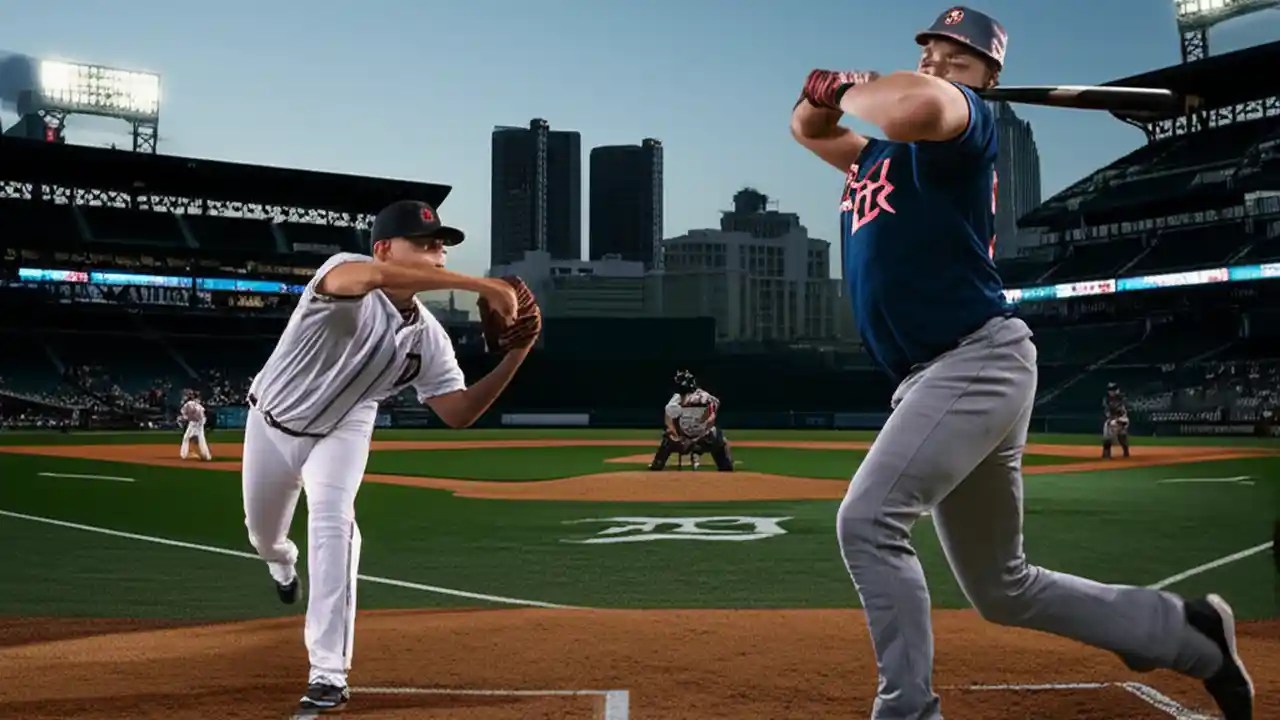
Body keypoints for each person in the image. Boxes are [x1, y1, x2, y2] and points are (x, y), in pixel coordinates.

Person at [789, 6, 1252, 719]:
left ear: (989, 77)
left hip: (974, 359)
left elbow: (913, 104)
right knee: (1002, 586)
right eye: (932, 49)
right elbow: (809, 129)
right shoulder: (881, 153)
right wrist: (828, 96)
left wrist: (855, 86)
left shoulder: (964, 126)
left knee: (868, 522)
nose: (940, 61)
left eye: (959, 55)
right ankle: (1188, 634)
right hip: (938, 375)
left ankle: (908, 712)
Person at [240, 199, 535, 715]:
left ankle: (328, 674)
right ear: (383, 248)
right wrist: (486, 287)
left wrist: (518, 352)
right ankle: (282, 565)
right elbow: (369, 278)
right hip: (271, 421)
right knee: (264, 536)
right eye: (423, 243)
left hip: (345, 425)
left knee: (334, 523)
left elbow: (458, 412)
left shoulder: (430, 339)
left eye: (440, 245)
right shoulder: (342, 273)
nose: (437, 253)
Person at [647, 370, 734, 472]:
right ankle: (724, 465)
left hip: (686, 440)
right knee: (719, 437)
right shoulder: (705, 396)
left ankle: (658, 463)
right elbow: (712, 416)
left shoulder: (676, 399)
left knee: (667, 438)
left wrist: (677, 436)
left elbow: (669, 420)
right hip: (701, 439)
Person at [178, 390, 212, 461]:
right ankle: (206, 456)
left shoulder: (189, 404)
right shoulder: (198, 406)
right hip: (198, 423)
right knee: (200, 440)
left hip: (196, 423)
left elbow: (184, 414)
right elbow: (203, 416)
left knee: (187, 438)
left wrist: (184, 419)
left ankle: (184, 455)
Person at [1102, 381, 1131, 458]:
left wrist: (1120, 419)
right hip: (1111, 419)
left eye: (1113, 389)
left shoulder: (1122, 398)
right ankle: (1106, 453)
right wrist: (1110, 417)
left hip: (1122, 418)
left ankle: (1125, 450)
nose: (1111, 391)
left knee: (1122, 436)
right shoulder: (1106, 399)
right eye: (1110, 389)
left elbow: (1124, 410)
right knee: (1107, 435)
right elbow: (1107, 411)